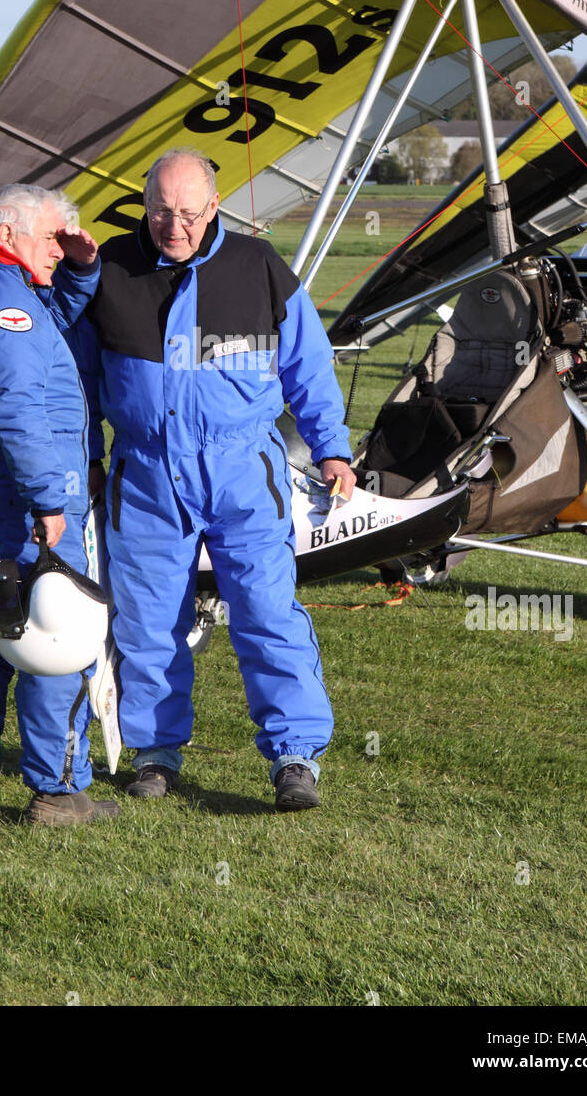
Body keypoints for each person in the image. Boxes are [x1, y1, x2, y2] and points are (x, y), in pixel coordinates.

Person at [69, 148, 356, 811]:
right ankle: (154, 751)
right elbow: (79, 381)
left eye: (190, 214)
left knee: (266, 609)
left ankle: (295, 756)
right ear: (145, 206)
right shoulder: (108, 269)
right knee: (145, 620)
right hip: (143, 472)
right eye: (162, 212)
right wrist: (87, 457)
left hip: (242, 471)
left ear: (215, 206)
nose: (175, 227)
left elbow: (308, 367)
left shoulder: (259, 269)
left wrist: (332, 449)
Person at [0, 184, 119, 827]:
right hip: (21, 502)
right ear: (8, 234)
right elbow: (17, 409)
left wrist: (82, 270)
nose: (58, 254)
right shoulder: (6, 304)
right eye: (49, 241)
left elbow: (45, 326)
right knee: (54, 643)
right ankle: (57, 794)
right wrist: (46, 499)